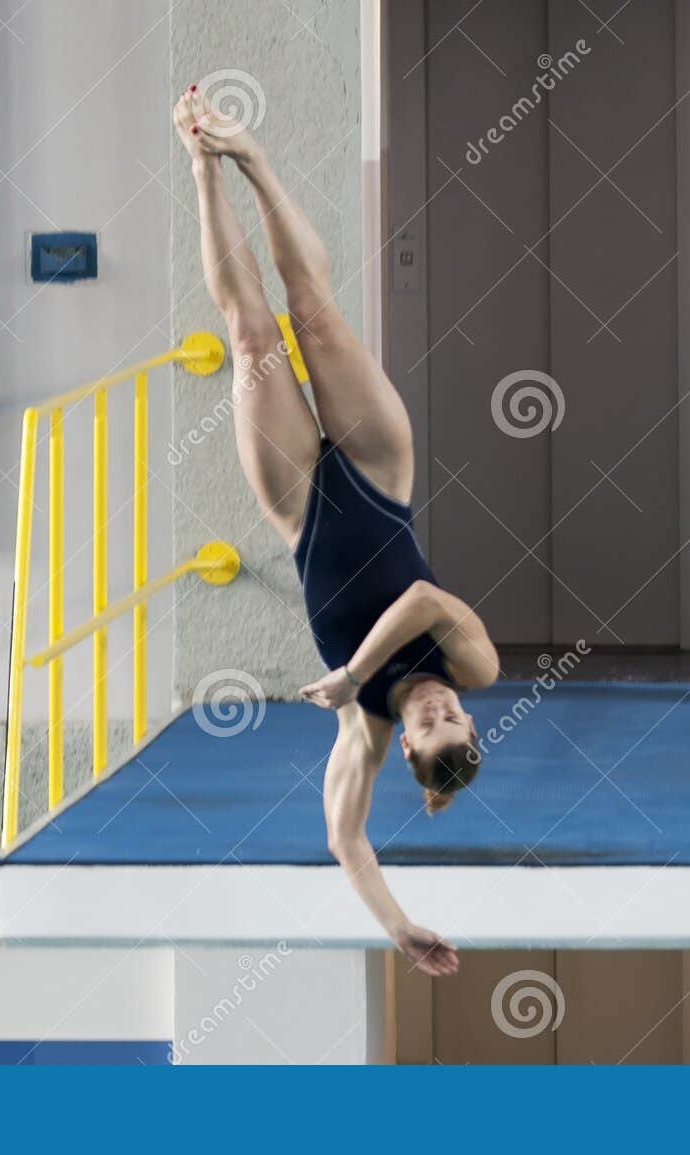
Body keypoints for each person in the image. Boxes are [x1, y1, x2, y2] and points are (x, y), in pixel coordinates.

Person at [176, 88, 500, 977]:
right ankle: (254, 159)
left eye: (425, 726)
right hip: (379, 471)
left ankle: (203, 167)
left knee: (250, 337)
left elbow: (345, 840)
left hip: (300, 506)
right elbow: (426, 596)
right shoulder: (473, 666)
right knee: (312, 311)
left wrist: (400, 927)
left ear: (412, 752)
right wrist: (358, 670)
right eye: (449, 717)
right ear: (468, 716)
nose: (434, 708)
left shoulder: (364, 733)